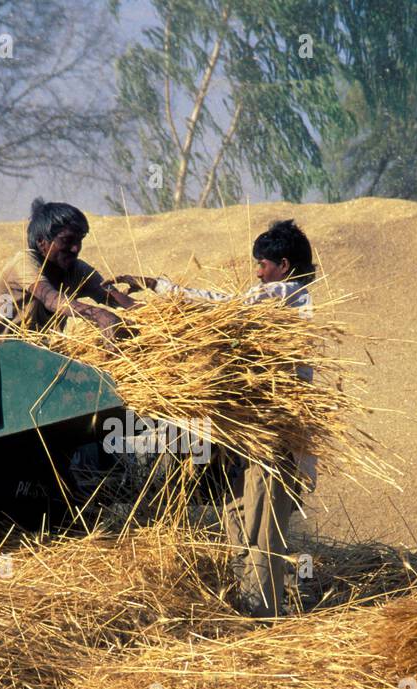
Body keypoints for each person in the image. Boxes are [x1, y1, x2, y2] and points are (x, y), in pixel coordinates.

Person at [112, 219, 318, 617]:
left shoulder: (288, 297)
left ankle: (264, 616)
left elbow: (220, 305)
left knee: (263, 528)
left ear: (284, 265)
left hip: (274, 436)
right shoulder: (273, 297)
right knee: (238, 518)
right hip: (249, 434)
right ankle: (248, 607)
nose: (257, 273)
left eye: (262, 264)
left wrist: (160, 288)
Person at [0, 199, 137, 486]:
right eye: (67, 241)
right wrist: (97, 313)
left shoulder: (76, 269)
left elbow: (116, 299)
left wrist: (157, 312)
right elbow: (50, 298)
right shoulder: (25, 263)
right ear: (42, 242)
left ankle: (64, 464)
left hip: (29, 362)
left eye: (80, 242)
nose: (75, 249)